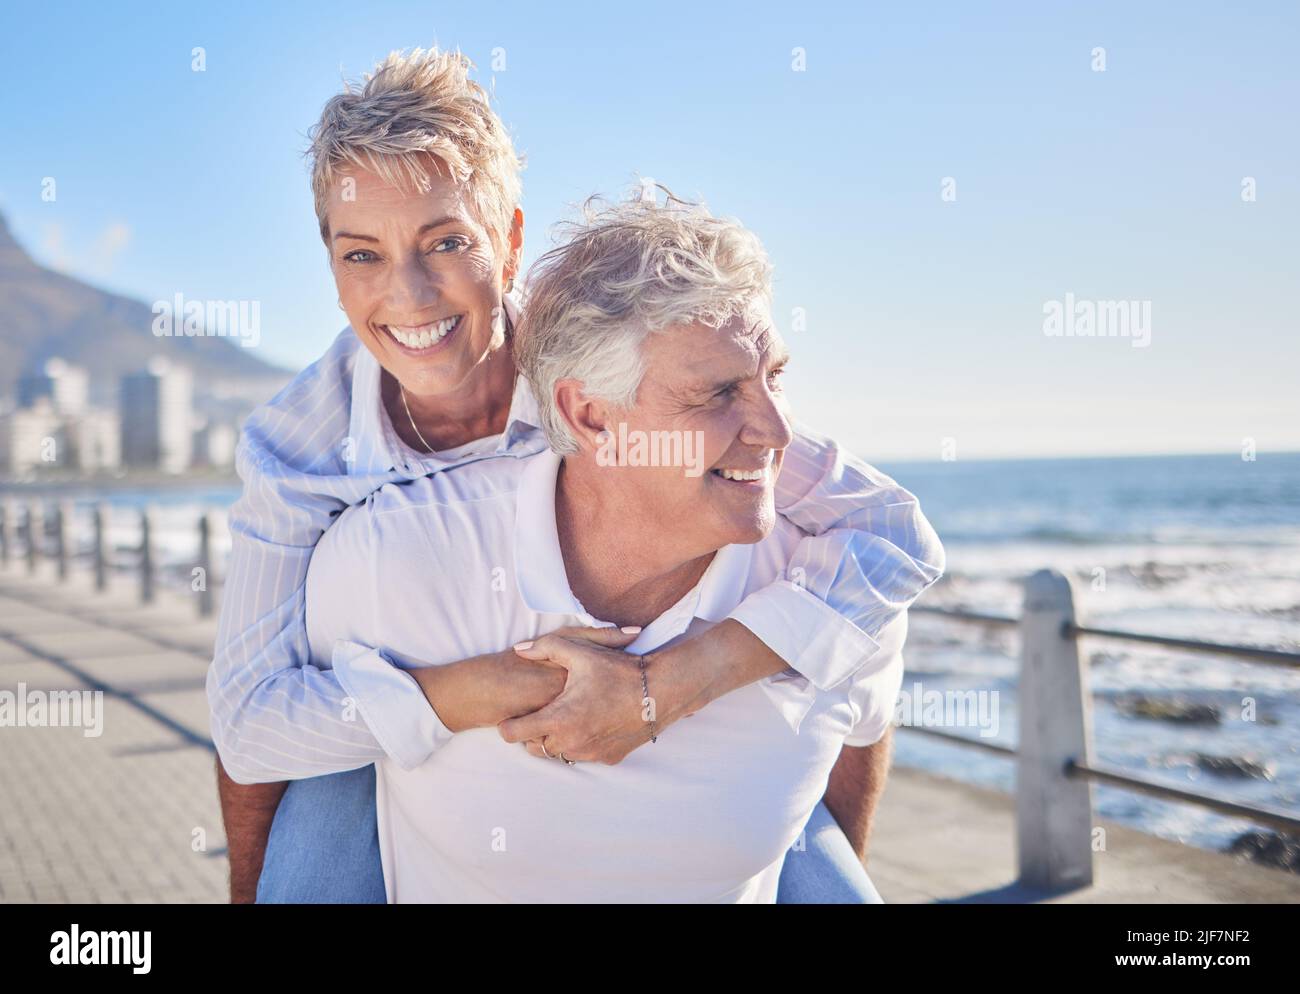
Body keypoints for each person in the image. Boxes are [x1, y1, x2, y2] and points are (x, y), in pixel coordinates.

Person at [204, 47, 943, 904]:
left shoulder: (607, 368)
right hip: (396, 721)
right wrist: (476, 689)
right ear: (331, 267)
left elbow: (884, 526)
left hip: (687, 763)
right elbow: (254, 719)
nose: (409, 294)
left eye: (446, 242)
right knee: (331, 792)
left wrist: (673, 683)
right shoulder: (300, 446)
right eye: (362, 255)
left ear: (510, 242)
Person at [298, 194, 910, 901]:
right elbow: (282, 754)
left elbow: (856, 750)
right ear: (588, 415)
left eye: (775, 377)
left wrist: (667, 688)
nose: (776, 431)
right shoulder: (390, 563)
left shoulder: (838, 582)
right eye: (718, 393)